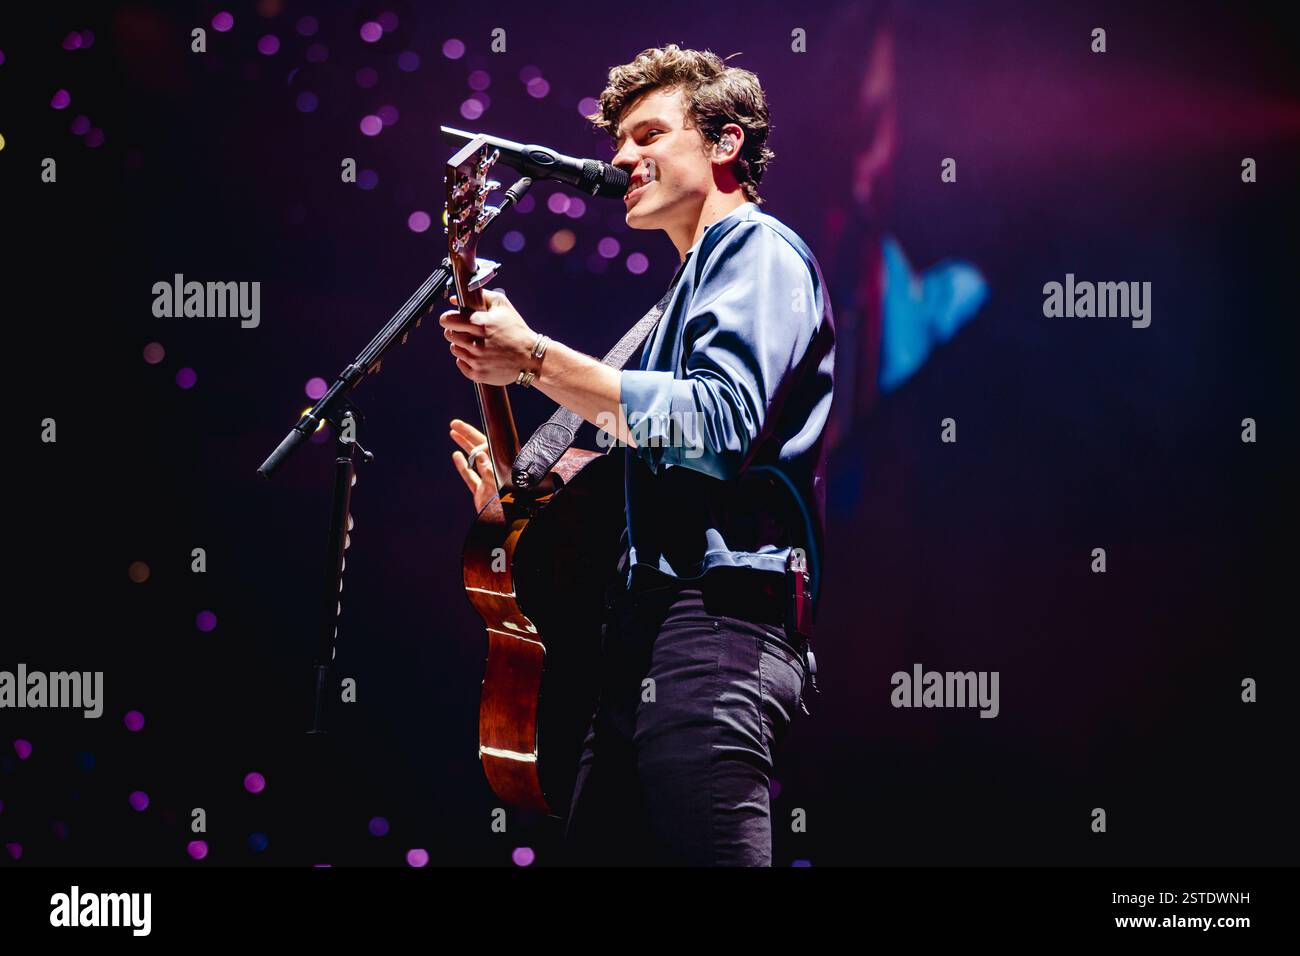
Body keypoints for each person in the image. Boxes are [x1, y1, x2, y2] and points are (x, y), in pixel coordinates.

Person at [440, 44, 835, 866]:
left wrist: (538, 359)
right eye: (619, 141)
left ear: (725, 145)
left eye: (648, 135)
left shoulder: (758, 251)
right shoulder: (671, 308)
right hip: (646, 642)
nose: (621, 158)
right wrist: (525, 500)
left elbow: (718, 426)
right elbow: (652, 458)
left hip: (715, 626)